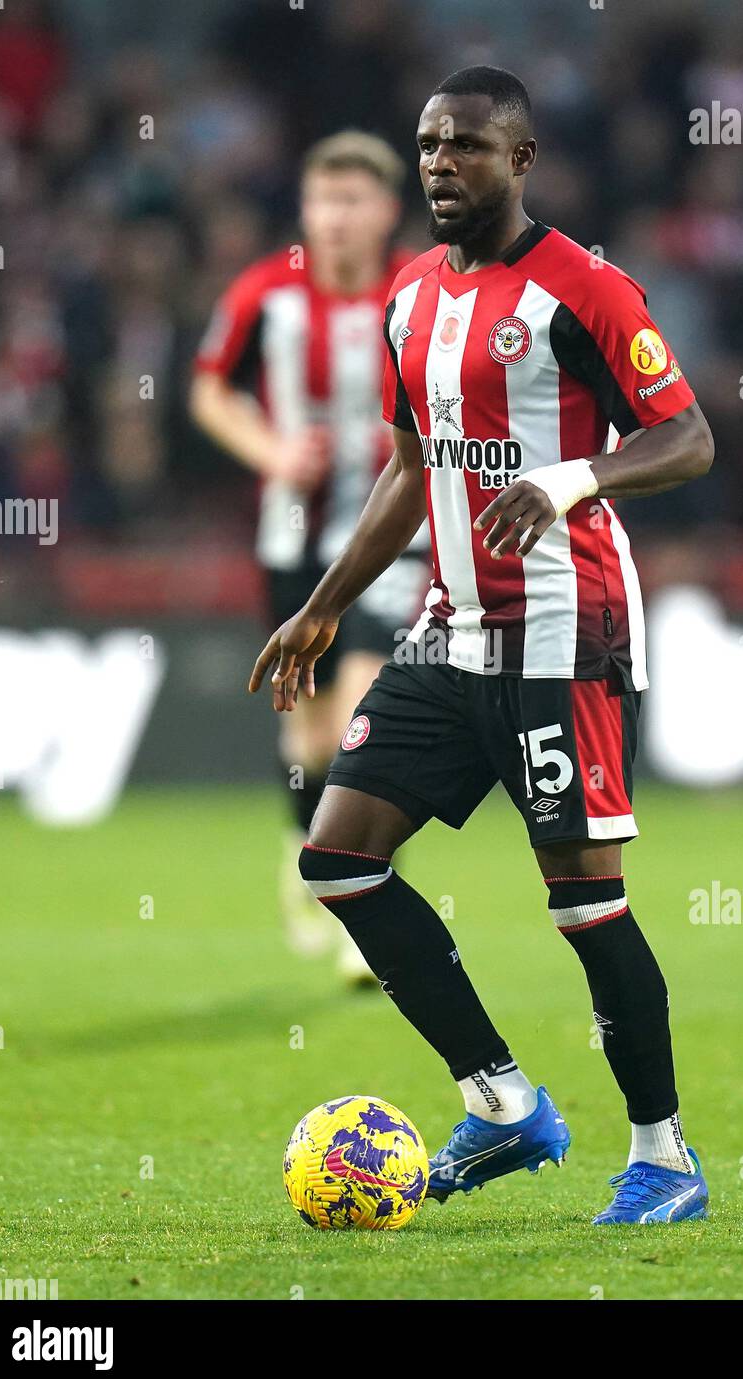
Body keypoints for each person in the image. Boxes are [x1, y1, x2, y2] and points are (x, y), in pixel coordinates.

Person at [248, 67, 715, 1224]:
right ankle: (503, 1104)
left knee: (584, 905)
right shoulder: (409, 297)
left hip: (564, 636)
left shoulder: (585, 290)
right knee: (338, 857)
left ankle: (664, 1157)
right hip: (447, 632)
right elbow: (409, 473)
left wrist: (572, 477)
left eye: (465, 146)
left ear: (522, 160)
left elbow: (688, 436)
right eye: (427, 146)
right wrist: (321, 603)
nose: (440, 165)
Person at [191, 131, 428, 983]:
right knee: (310, 734)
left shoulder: (419, 288)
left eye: (352, 202)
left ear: (386, 211)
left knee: (366, 706)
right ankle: (308, 848)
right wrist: (272, 451)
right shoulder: (266, 293)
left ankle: (361, 899)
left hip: (388, 538)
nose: (334, 219)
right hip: (290, 539)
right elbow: (209, 388)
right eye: (323, 201)